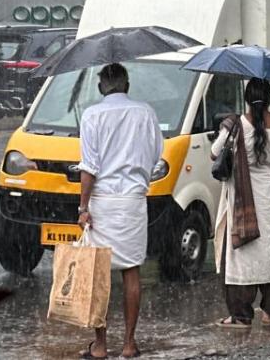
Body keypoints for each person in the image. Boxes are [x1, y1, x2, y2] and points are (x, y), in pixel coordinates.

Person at [77, 63, 164, 359]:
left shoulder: (92, 115)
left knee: (99, 273)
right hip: (133, 202)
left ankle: (100, 345)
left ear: (102, 85)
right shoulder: (146, 113)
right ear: (127, 84)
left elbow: (89, 168)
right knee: (131, 272)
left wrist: (83, 208)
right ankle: (129, 343)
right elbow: (154, 157)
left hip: (102, 201)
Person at [210, 77, 270, 329]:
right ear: (269, 98)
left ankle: (241, 315)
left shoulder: (235, 124)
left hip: (244, 207)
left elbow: (214, 153)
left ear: (247, 99)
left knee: (241, 259)